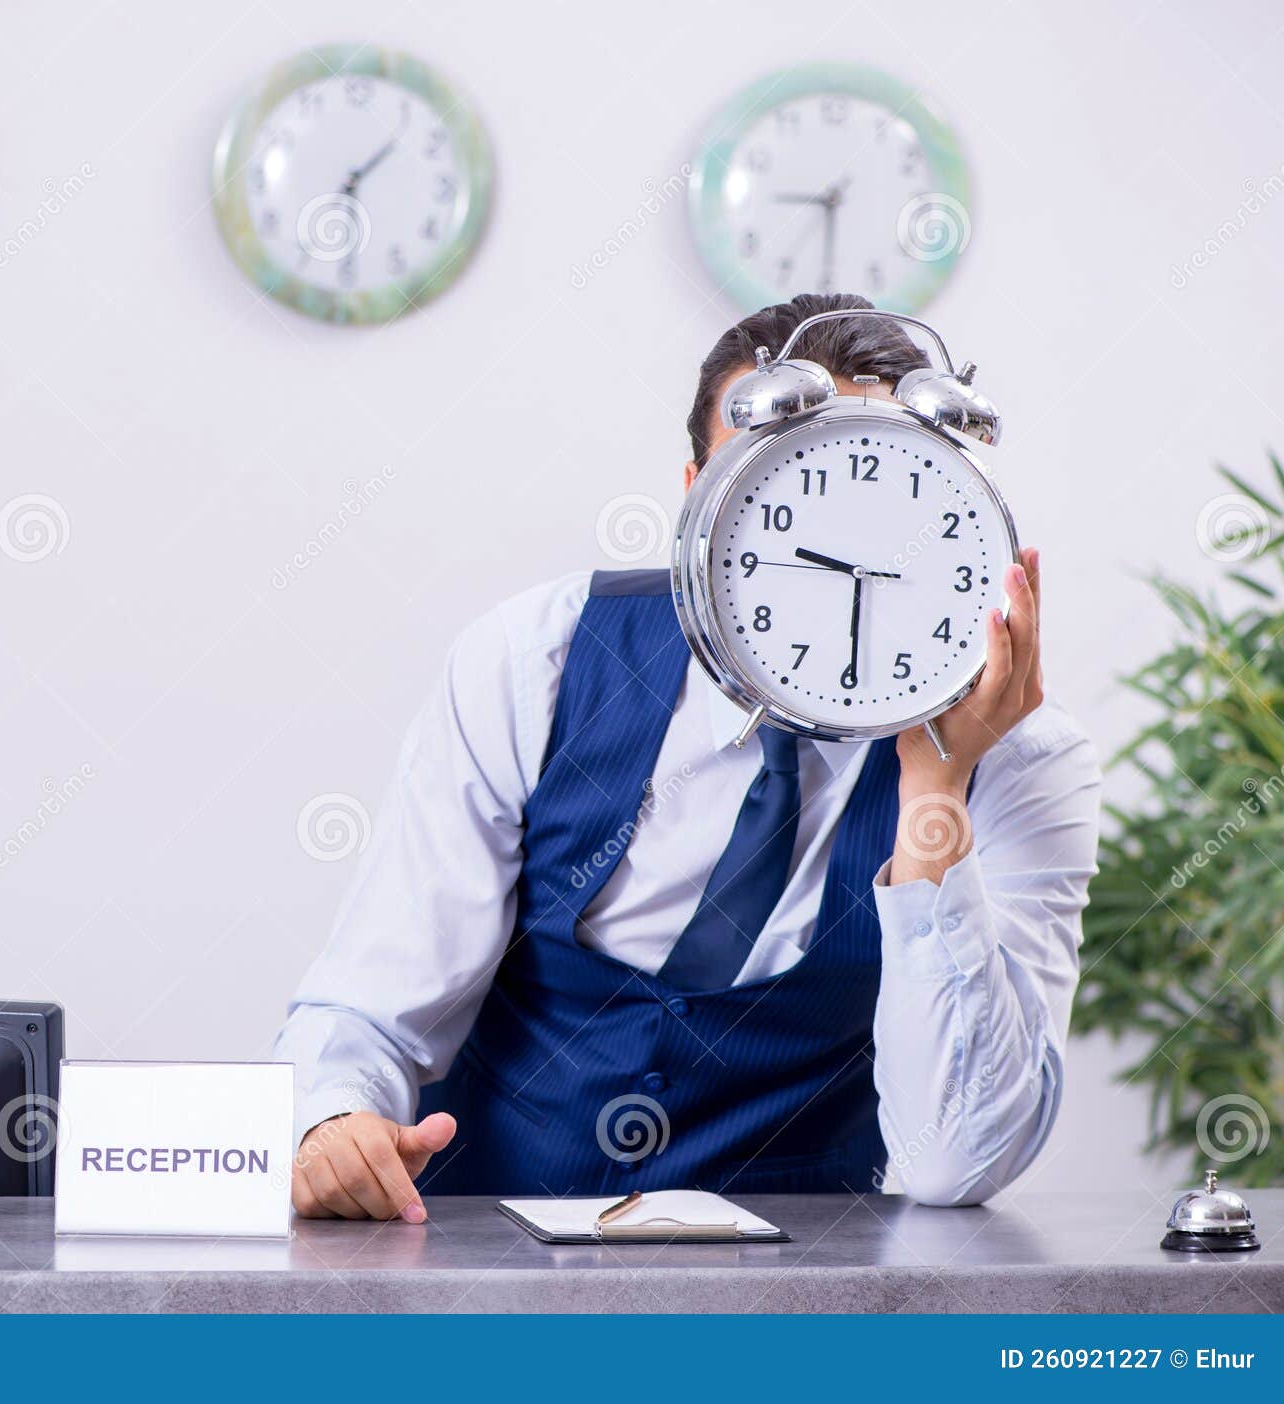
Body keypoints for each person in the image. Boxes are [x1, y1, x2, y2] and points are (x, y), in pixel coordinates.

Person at [273, 292, 1101, 1221]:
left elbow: (955, 1159)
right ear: (695, 502)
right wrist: (329, 1119)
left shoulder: (1024, 760)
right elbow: (371, 1008)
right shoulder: (534, 663)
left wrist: (935, 793)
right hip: (484, 1267)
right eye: (773, 492)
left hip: (795, 1302)